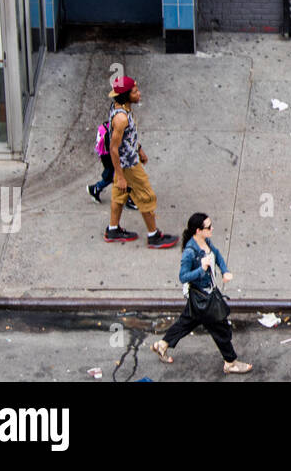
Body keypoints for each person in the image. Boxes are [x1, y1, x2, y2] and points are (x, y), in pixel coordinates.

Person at [152, 213, 252, 374]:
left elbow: (217, 255)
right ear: (198, 230)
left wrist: (225, 271)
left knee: (188, 321)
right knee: (220, 330)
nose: (212, 228)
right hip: (203, 298)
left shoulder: (206, 242)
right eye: (208, 227)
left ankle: (162, 345)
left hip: (205, 296)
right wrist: (201, 269)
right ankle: (231, 362)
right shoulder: (190, 253)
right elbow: (183, 277)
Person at [102, 76, 178, 248]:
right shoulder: (121, 119)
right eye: (135, 92)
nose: (139, 94)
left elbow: (128, 138)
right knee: (146, 196)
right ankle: (154, 236)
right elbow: (114, 148)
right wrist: (121, 175)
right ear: (126, 95)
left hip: (127, 161)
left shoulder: (120, 108)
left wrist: (139, 148)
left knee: (119, 194)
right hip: (128, 165)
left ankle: (112, 230)